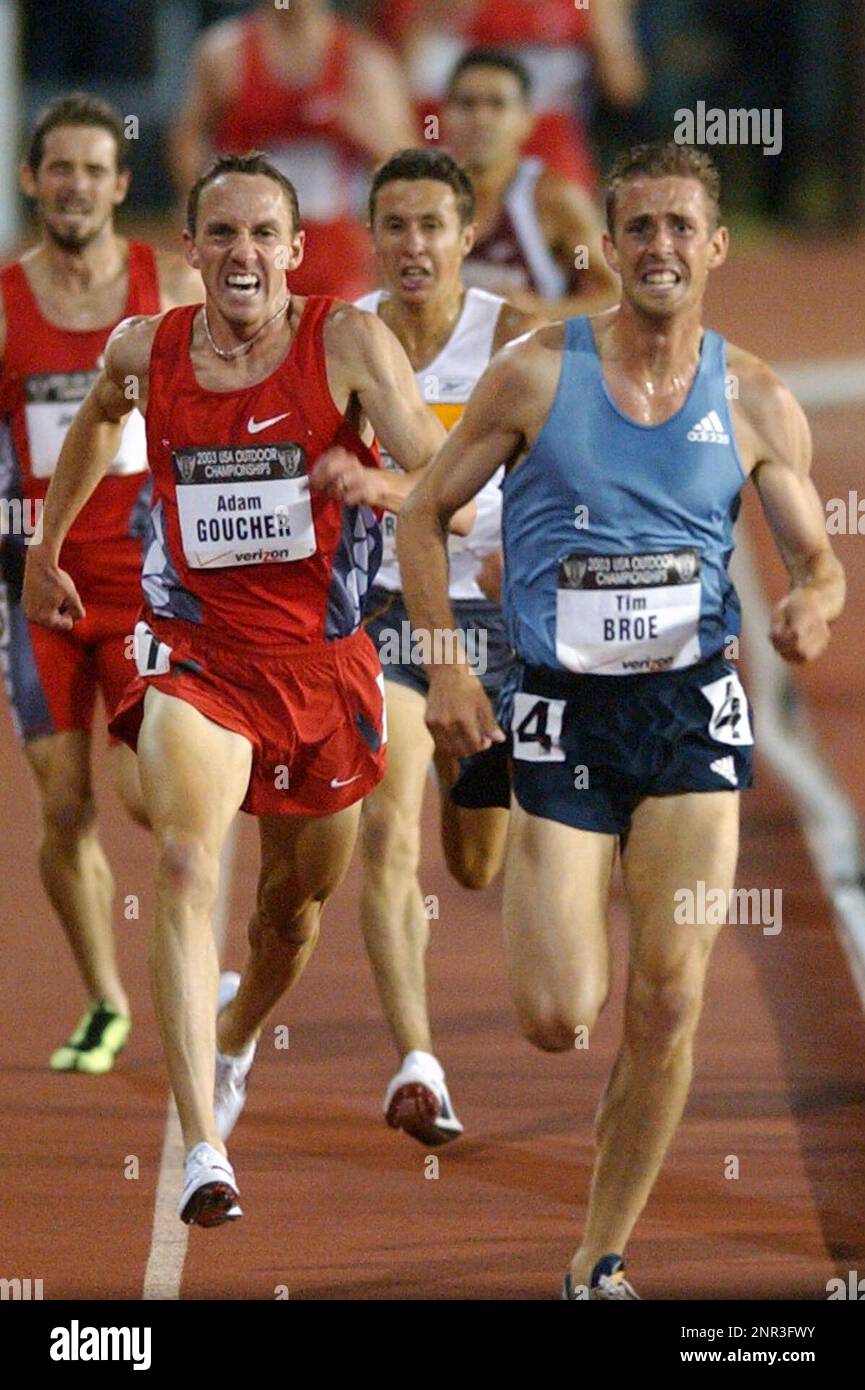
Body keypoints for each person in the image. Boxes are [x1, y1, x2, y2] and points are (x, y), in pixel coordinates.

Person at [396, 141, 845, 1298]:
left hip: (692, 716)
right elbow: (422, 513)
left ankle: (597, 1257)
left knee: (672, 994)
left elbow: (815, 560)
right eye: (637, 228)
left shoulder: (749, 395)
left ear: (715, 247)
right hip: (557, 717)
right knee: (556, 1015)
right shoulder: (540, 374)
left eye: (678, 228)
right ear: (604, 245)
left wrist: (809, 601)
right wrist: (448, 669)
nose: (658, 249)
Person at [23, 151, 462, 1228]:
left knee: (291, 907)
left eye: (264, 235)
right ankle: (202, 1150)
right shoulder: (148, 346)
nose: (243, 255)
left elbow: (439, 473)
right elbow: (95, 422)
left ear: (295, 251)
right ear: (190, 249)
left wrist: (383, 482)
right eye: (221, 235)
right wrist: (50, 544)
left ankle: (232, 1034)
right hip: (196, 656)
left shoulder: (344, 340)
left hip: (322, 667)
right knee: (182, 859)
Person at [0, 93, 202, 1074]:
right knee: (65, 802)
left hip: (147, 590)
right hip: (40, 592)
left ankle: (195, 943)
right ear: (32, 180)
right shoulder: (4, 304)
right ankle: (106, 999)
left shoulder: (158, 285)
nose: (75, 185)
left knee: (149, 794)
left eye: (94, 169)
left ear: (121, 186)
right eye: (58, 169)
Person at [356, 148, 541, 1145]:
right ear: (372, 235)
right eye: (394, 225)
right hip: (385, 614)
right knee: (387, 826)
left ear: (466, 235)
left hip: (495, 624)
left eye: (432, 225)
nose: (413, 245)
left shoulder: (514, 338)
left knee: (474, 863)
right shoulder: (345, 337)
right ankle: (418, 1062)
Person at [170, 0, 418, 301]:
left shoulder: (366, 61)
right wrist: (198, 198)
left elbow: (409, 166)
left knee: (332, 336)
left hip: (335, 246)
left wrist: (366, 135)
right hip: (245, 236)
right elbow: (188, 136)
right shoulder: (224, 54)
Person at [379, 0, 646, 186]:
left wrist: (607, 32)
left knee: (567, 217)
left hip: (546, 136)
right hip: (459, 133)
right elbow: (400, 81)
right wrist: (432, 19)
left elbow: (624, 89)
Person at [443, 50, 620, 321]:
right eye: (467, 104)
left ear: (526, 120)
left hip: (531, 358)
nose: (480, 118)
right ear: (444, 115)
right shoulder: (423, 197)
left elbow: (618, 294)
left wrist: (540, 312)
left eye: (497, 104)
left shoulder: (552, 199)